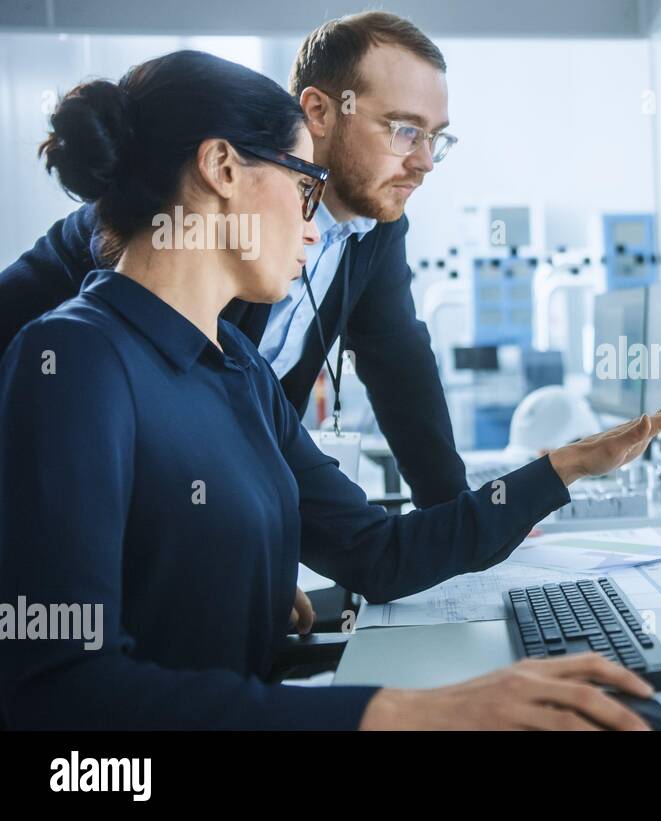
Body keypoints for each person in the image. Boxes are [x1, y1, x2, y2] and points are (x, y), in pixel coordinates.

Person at [0, 50, 661, 730]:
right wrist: (406, 713)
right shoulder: (74, 360)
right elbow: (63, 694)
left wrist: (565, 467)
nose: (315, 229)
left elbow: (377, 551)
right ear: (222, 166)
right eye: (302, 185)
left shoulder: (238, 367)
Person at [0, 11, 469, 513]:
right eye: (403, 130)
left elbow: (402, 368)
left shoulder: (373, 228)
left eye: (434, 138)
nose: (422, 160)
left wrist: (456, 514)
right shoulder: (186, 211)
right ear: (319, 111)